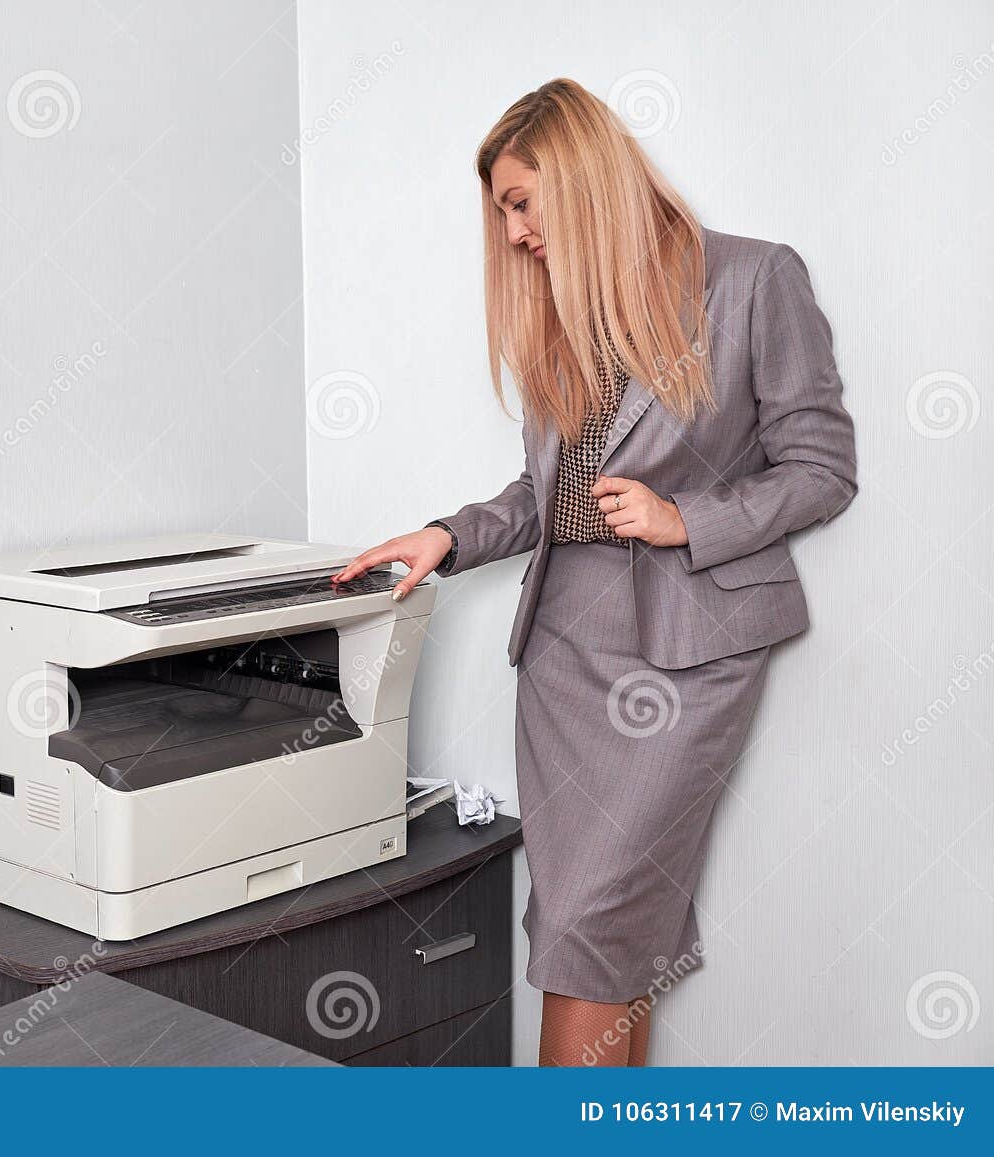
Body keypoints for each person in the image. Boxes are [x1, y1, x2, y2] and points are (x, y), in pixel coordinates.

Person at [331, 78, 858, 1066]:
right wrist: (448, 534)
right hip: (566, 648)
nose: (514, 233)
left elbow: (823, 469)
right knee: (586, 929)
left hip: (687, 656)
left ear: (581, 180)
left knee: (593, 923)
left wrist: (683, 517)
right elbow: (552, 493)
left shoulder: (751, 278)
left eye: (521, 203)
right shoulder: (565, 315)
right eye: (501, 213)